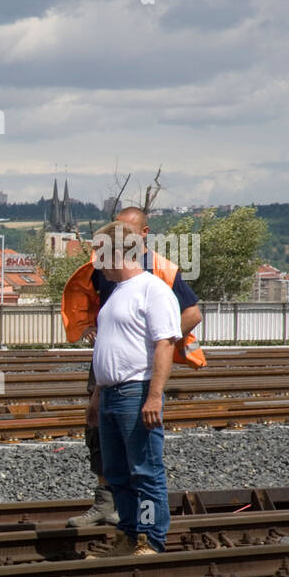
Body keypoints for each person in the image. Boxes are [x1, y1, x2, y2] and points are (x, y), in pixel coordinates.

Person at [62, 206, 204, 526]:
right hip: (109, 380)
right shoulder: (108, 274)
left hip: (135, 381)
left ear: (142, 235)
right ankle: (122, 522)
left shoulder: (157, 274)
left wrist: (154, 343)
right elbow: (91, 307)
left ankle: (147, 534)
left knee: (143, 468)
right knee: (110, 456)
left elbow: (189, 316)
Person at [85, 220, 180, 557]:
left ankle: (149, 539)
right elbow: (106, 350)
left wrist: (154, 395)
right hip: (111, 395)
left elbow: (165, 344)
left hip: (135, 393)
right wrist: (97, 396)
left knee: (143, 472)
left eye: (100, 253)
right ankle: (128, 536)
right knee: (116, 474)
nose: (96, 261)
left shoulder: (152, 290)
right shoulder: (115, 296)